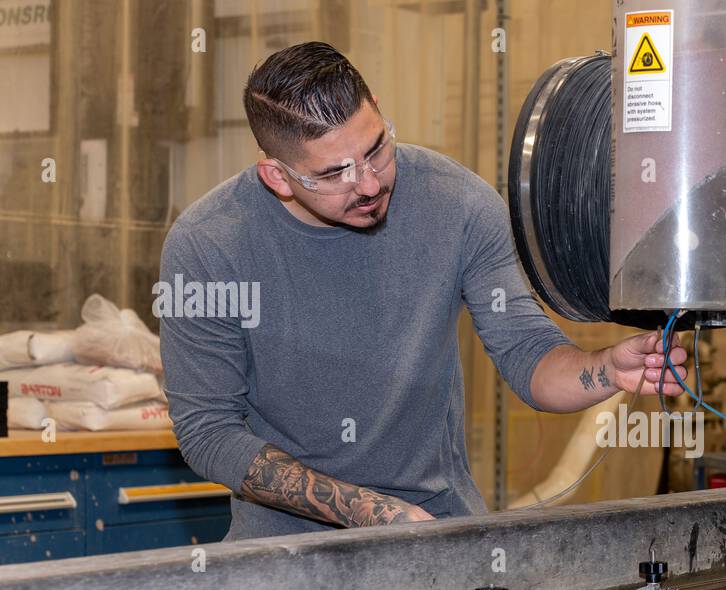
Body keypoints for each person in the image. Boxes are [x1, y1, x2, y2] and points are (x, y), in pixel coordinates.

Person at [159, 41, 686, 541]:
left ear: (379, 111)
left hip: (438, 534)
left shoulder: (457, 204)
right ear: (277, 176)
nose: (368, 183)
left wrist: (607, 370)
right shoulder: (209, 246)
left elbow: (529, 358)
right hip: (283, 556)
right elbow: (208, 431)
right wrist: (369, 510)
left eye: (375, 149)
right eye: (335, 172)